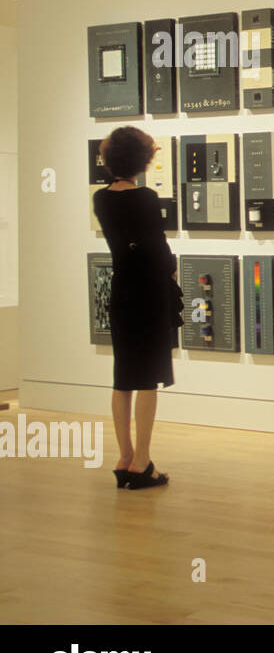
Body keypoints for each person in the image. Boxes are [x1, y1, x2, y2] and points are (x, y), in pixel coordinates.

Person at [92, 127, 180, 490]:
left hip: (122, 293)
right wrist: (172, 272)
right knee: (148, 379)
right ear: (141, 161)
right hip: (150, 293)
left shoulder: (101, 199)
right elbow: (157, 248)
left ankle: (124, 457)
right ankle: (142, 462)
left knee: (123, 376)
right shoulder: (146, 197)